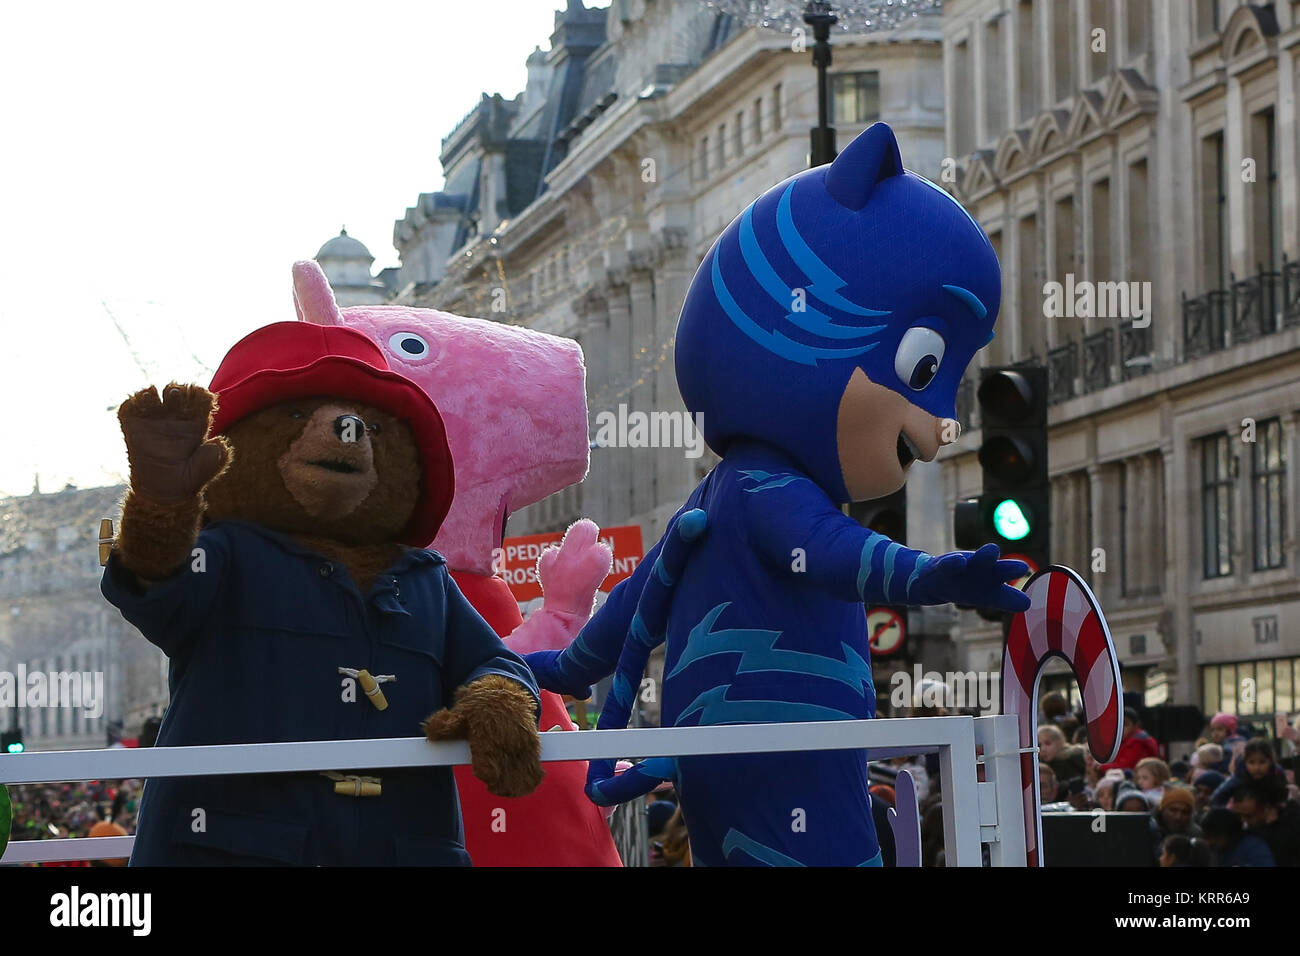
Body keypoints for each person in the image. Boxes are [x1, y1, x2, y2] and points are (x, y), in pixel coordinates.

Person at [1230, 776, 1300, 867]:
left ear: (1267, 809)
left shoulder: (1292, 828)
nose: (1243, 820)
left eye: (1249, 816)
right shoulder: (1244, 832)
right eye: (1239, 815)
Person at [1210, 738, 1288, 807]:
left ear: (1271, 762)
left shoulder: (1277, 774)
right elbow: (1217, 797)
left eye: (1262, 762)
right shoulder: (1240, 775)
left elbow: (1283, 798)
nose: (1257, 768)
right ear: (1245, 762)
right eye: (1251, 762)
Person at [1200, 808, 1274, 866]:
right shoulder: (1218, 851)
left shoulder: (1254, 848)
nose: (1210, 842)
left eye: (1215, 836)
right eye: (1206, 837)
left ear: (1228, 832)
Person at [1100, 707, 1160, 772]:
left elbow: (1125, 766)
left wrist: (1101, 766)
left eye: (1125, 724)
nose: (1121, 728)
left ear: (1135, 726)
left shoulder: (1137, 741)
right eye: (1118, 724)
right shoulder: (1123, 740)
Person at [1149, 787, 1200, 862]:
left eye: (1185, 812)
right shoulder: (1148, 830)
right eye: (1173, 810)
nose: (1178, 817)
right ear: (1162, 810)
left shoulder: (1195, 835)